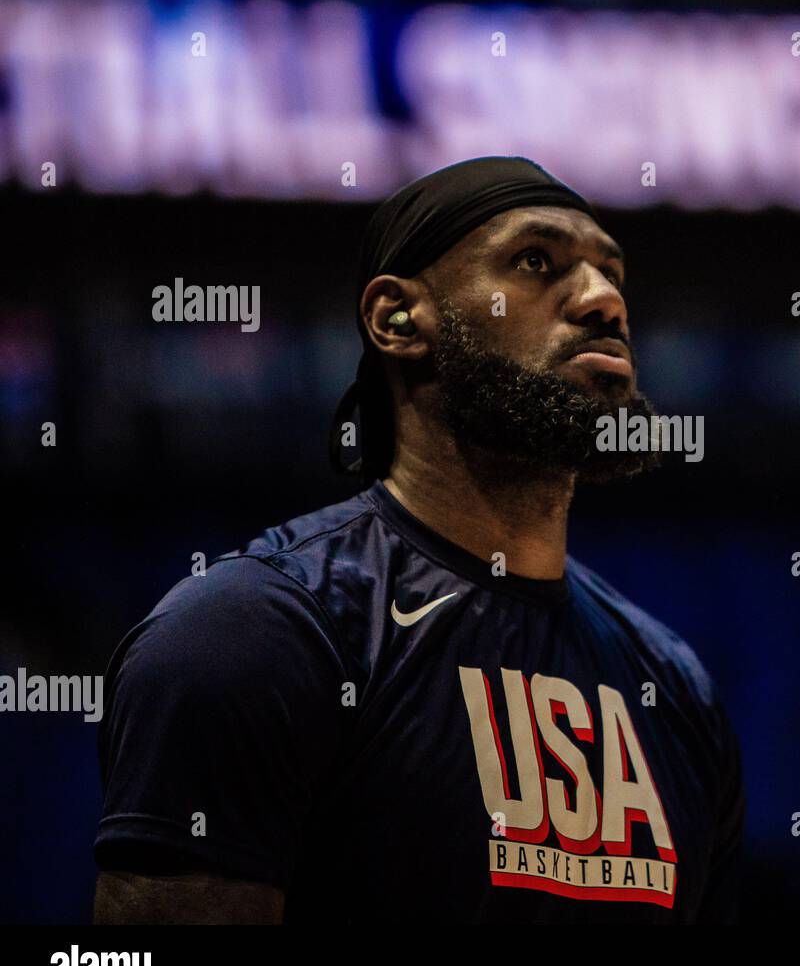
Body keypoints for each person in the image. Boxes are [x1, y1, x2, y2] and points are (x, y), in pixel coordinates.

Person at [92, 156, 744, 923]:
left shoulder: (674, 686)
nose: (605, 300)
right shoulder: (254, 631)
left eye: (612, 272)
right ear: (398, 320)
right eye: (537, 262)